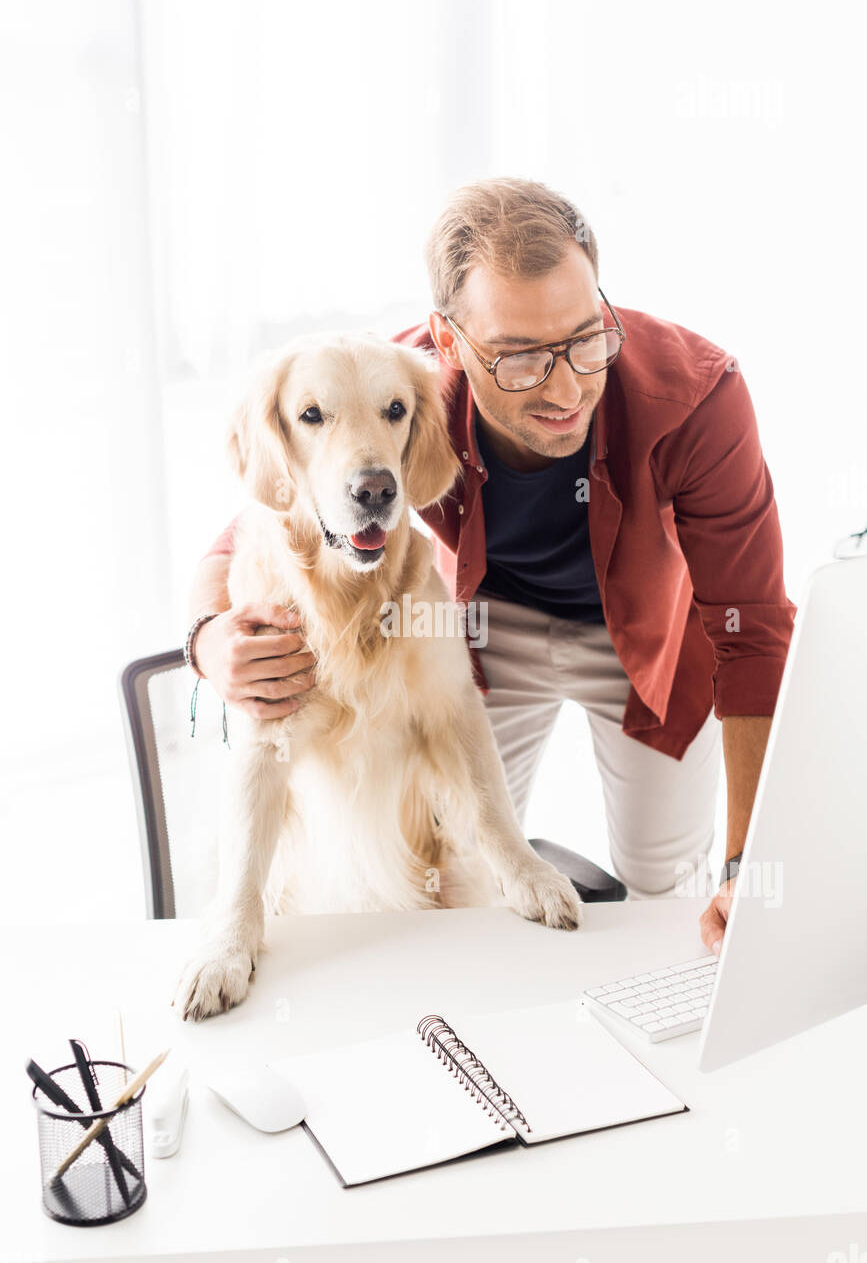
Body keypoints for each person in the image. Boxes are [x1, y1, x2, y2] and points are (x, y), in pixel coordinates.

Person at [186, 177, 795, 953]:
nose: (567, 386)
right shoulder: (394, 390)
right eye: (517, 357)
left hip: (650, 639)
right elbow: (265, 513)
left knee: (668, 879)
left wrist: (746, 862)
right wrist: (208, 639)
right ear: (448, 344)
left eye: (583, 337)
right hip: (480, 624)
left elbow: (756, 635)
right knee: (466, 861)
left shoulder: (699, 396)